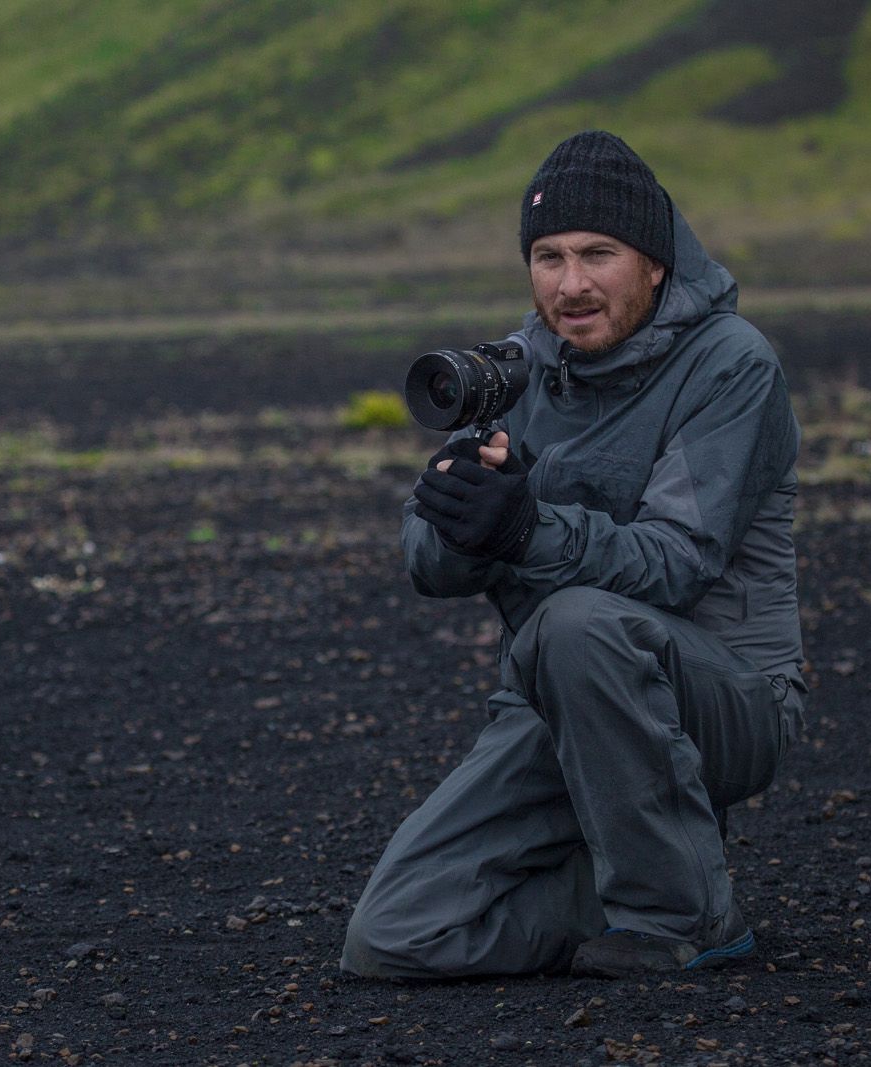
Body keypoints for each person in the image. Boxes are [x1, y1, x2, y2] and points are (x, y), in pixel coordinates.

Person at [342, 131, 807, 980]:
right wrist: (462, 522)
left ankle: (688, 915)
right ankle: (639, 857)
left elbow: (676, 562)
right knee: (393, 939)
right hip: (560, 699)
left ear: (656, 263)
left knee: (575, 623)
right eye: (548, 256)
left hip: (727, 699)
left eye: (599, 253)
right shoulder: (520, 369)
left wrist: (525, 529)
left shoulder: (732, 365)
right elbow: (425, 564)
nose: (571, 283)